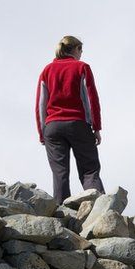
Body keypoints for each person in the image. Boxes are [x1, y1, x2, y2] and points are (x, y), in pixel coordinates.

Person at [36, 35, 105, 203]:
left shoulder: (47, 70)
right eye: (81, 50)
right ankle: (98, 207)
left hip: (52, 127)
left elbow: (40, 104)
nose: (81, 54)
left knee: (59, 173)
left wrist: (42, 133)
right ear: (75, 49)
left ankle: (61, 210)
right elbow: (92, 99)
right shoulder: (82, 67)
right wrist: (96, 127)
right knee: (89, 169)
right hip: (78, 124)